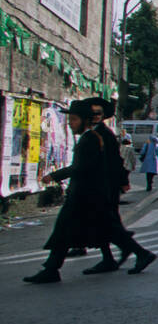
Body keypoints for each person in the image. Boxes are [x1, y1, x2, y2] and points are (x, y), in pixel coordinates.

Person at [23, 100, 112, 284]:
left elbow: (80, 167)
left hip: (84, 195)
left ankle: (52, 269)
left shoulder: (91, 140)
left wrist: (54, 176)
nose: (70, 123)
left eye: (73, 119)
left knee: (67, 230)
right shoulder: (89, 138)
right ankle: (52, 268)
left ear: (84, 120)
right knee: (70, 232)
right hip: (84, 194)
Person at [87, 97, 155, 274]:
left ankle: (140, 253)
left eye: (98, 113)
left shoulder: (104, 134)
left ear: (103, 115)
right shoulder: (95, 132)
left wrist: (121, 182)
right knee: (106, 225)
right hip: (101, 187)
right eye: (92, 113)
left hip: (105, 188)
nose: (94, 116)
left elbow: (115, 161)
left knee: (107, 225)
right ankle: (112, 257)